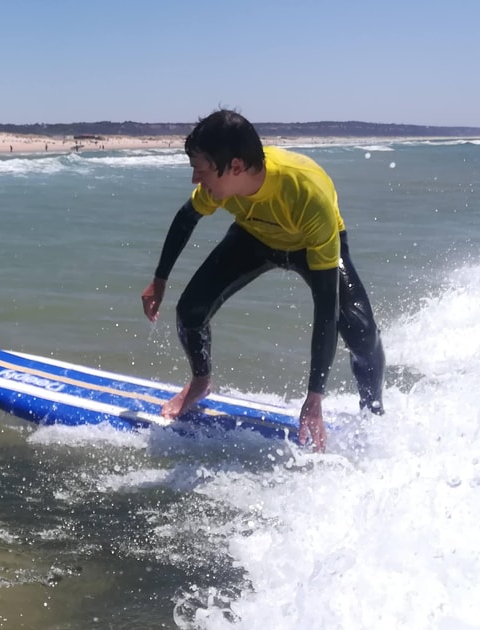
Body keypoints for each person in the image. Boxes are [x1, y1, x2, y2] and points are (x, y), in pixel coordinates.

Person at [140, 109, 385, 452]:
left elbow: (325, 308)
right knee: (190, 311)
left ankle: (373, 415)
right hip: (254, 237)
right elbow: (186, 218)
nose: (196, 179)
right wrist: (160, 279)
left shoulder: (306, 194)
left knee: (362, 333)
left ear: (236, 167)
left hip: (309, 244)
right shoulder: (218, 186)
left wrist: (315, 396)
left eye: (201, 170)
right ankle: (200, 382)